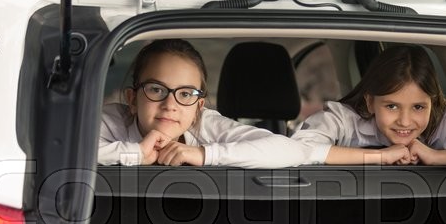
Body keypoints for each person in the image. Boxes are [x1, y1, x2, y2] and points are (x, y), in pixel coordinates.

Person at [292, 44, 446, 167]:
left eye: (418, 107)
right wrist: (380, 157)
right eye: (392, 106)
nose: (405, 122)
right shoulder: (342, 119)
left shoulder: (444, 122)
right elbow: (300, 150)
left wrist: (435, 157)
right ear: (370, 102)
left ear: (432, 103)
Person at [98, 38, 310, 168]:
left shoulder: (205, 125)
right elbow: (66, 152)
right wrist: (135, 153)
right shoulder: (111, 121)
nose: (170, 104)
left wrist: (204, 154)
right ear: (132, 100)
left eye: (186, 94)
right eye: (156, 89)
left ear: (199, 108)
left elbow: (291, 151)